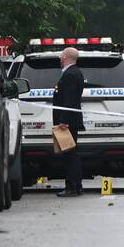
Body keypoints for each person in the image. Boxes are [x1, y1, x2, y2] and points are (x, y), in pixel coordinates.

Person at [52, 46, 85, 197]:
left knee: (70, 155)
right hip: (69, 119)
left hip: (68, 121)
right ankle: (76, 185)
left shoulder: (70, 74)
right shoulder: (74, 72)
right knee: (71, 153)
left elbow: (69, 99)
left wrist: (63, 120)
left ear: (65, 57)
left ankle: (72, 187)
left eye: (61, 56)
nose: (59, 59)